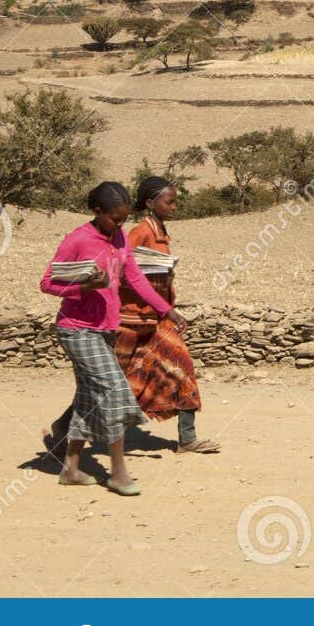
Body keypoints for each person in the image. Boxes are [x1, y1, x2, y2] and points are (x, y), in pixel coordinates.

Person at [40, 181, 184, 496]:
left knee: (88, 400)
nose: (120, 225)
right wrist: (84, 288)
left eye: (123, 218)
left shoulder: (118, 236)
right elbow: (48, 283)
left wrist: (166, 310)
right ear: (97, 211)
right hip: (76, 329)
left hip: (106, 328)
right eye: (115, 218)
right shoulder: (77, 239)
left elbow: (133, 276)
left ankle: (71, 468)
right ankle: (118, 473)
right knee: (113, 391)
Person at [122, 177, 218, 454]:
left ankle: (187, 438)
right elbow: (122, 270)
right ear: (151, 203)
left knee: (179, 371)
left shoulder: (160, 230)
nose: (174, 206)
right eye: (169, 201)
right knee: (117, 380)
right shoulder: (141, 232)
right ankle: (70, 428)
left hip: (158, 315)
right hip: (137, 317)